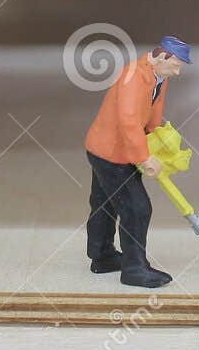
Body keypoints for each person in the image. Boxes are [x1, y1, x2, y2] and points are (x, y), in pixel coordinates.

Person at [82, 36, 191, 288]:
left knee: (105, 202)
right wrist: (144, 156)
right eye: (176, 65)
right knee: (136, 207)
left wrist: (154, 137)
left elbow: (153, 111)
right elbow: (128, 121)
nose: (177, 71)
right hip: (112, 153)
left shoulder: (158, 76)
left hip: (110, 148)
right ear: (162, 57)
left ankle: (101, 256)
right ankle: (134, 269)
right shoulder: (134, 77)